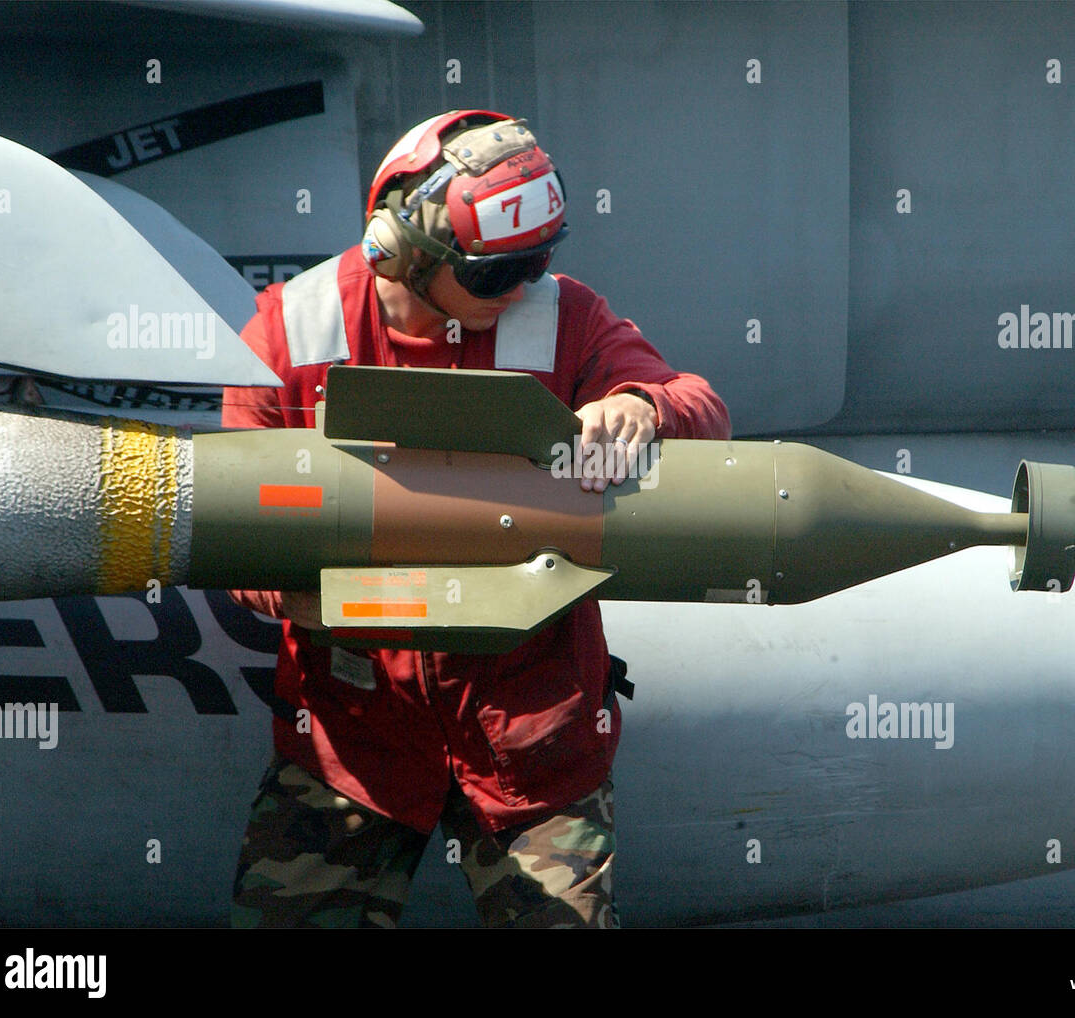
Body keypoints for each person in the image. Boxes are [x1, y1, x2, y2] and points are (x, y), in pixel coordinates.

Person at [222, 110, 731, 928]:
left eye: (537, 263)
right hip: (356, 744)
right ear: (405, 250)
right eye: (495, 275)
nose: (522, 289)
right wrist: (290, 594)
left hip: (533, 743)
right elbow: (231, 524)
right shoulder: (292, 330)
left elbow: (702, 407)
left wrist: (641, 406)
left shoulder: (562, 317)